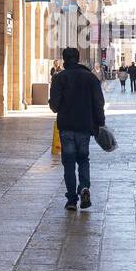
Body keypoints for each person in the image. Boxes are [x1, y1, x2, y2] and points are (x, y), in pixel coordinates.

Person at [49, 46, 105, 211]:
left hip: (66, 126)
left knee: (68, 162)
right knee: (83, 159)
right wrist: (100, 123)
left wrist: (54, 104)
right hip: (84, 126)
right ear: (78, 58)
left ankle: (72, 199)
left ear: (64, 59)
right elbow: (98, 103)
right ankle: (84, 187)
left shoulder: (60, 78)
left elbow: (55, 105)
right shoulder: (91, 78)